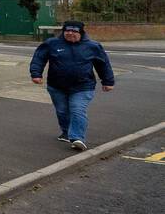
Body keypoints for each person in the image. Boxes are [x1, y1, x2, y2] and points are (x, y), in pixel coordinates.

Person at [29, 19, 114, 151]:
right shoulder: (52, 43)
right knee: (62, 111)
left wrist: (108, 81)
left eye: (74, 31)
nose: (70, 33)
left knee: (77, 109)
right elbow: (39, 57)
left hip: (83, 86)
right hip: (57, 86)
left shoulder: (92, 46)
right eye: (67, 30)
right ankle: (66, 132)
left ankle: (77, 138)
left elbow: (103, 64)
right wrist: (36, 73)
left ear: (81, 32)